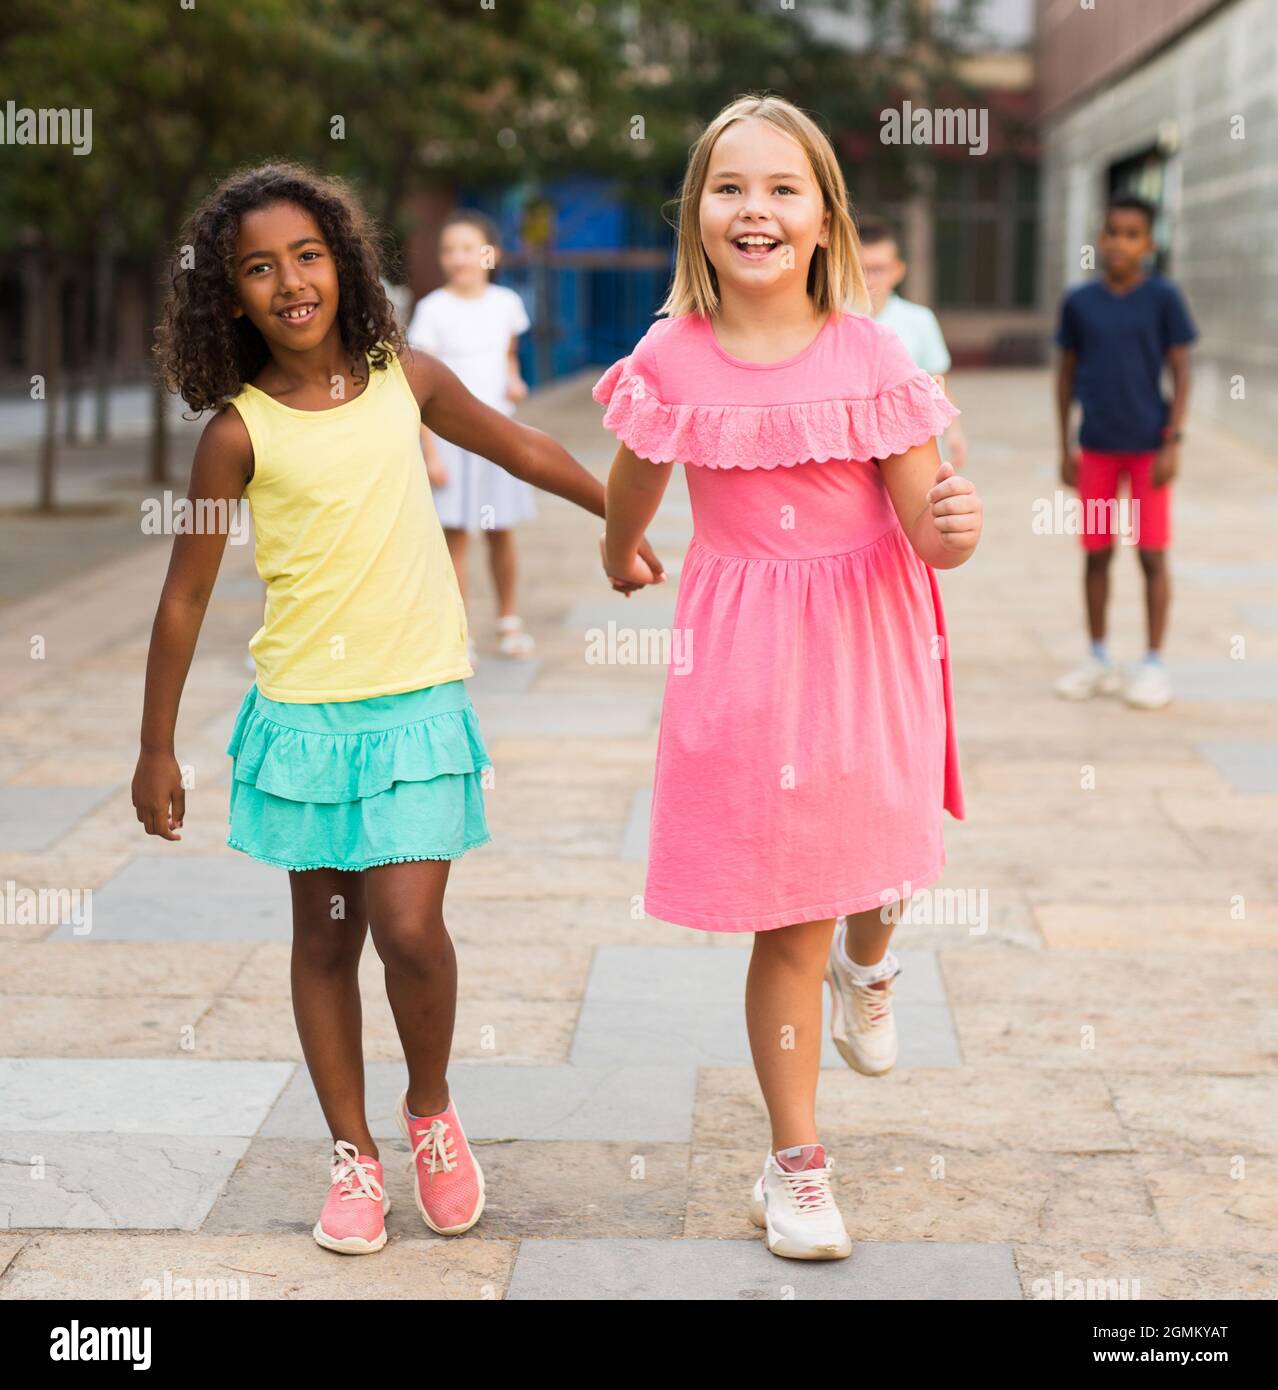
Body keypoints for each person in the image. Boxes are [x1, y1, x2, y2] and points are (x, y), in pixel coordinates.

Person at [135, 161, 663, 1256]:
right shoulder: (237, 433)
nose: (289, 282)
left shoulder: (404, 377)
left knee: (409, 928)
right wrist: (155, 748)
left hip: (416, 701)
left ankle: (428, 1110)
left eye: (307, 256)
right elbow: (184, 594)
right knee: (325, 939)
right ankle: (352, 1153)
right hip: (303, 717)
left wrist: (614, 519)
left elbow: (519, 444)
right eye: (259, 269)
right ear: (229, 297)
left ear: (346, 262)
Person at [596, 96, 981, 1261]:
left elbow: (927, 521)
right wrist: (618, 548)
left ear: (824, 219)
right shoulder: (671, 351)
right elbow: (635, 473)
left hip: (870, 632)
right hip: (748, 650)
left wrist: (955, 530)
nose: (753, 208)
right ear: (698, 216)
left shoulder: (875, 351)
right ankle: (796, 1166)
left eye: (781, 190)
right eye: (729, 188)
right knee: (789, 914)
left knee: (886, 857)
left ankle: (877, 963)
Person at [1054, 194, 1197, 709]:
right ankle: (1097, 657)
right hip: (1095, 448)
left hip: (1147, 449)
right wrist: (1064, 444)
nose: (1119, 242)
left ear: (1148, 244)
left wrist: (1173, 440)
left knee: (1152, 554)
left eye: (1131, 234)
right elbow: (1066, 374)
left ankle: (1153, 664)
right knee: (1097, 554)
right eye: (1112, 231)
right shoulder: (1080, 302)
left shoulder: (1162, 298)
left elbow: (1181, 370)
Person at [408, 211, 539, 662]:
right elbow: (420, 391)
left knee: (501, 532)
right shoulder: (432, 310)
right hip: (451, 442)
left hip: (498, 436)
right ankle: (458, 632)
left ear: (490, 254)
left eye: (468, 248)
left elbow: (508, 357)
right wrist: (431, 455)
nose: (458, 258)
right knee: (456, 538)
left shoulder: (506, 304)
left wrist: (513, 378)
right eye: (449, 250)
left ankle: (508, 620)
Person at [857, 215, 968, 468]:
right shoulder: (832, 321)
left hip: (911, 448)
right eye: (859, 268)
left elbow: (938, 382)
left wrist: (955, 431)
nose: (868, 279)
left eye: (878, 269)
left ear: (897, 270)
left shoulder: (920, 320)